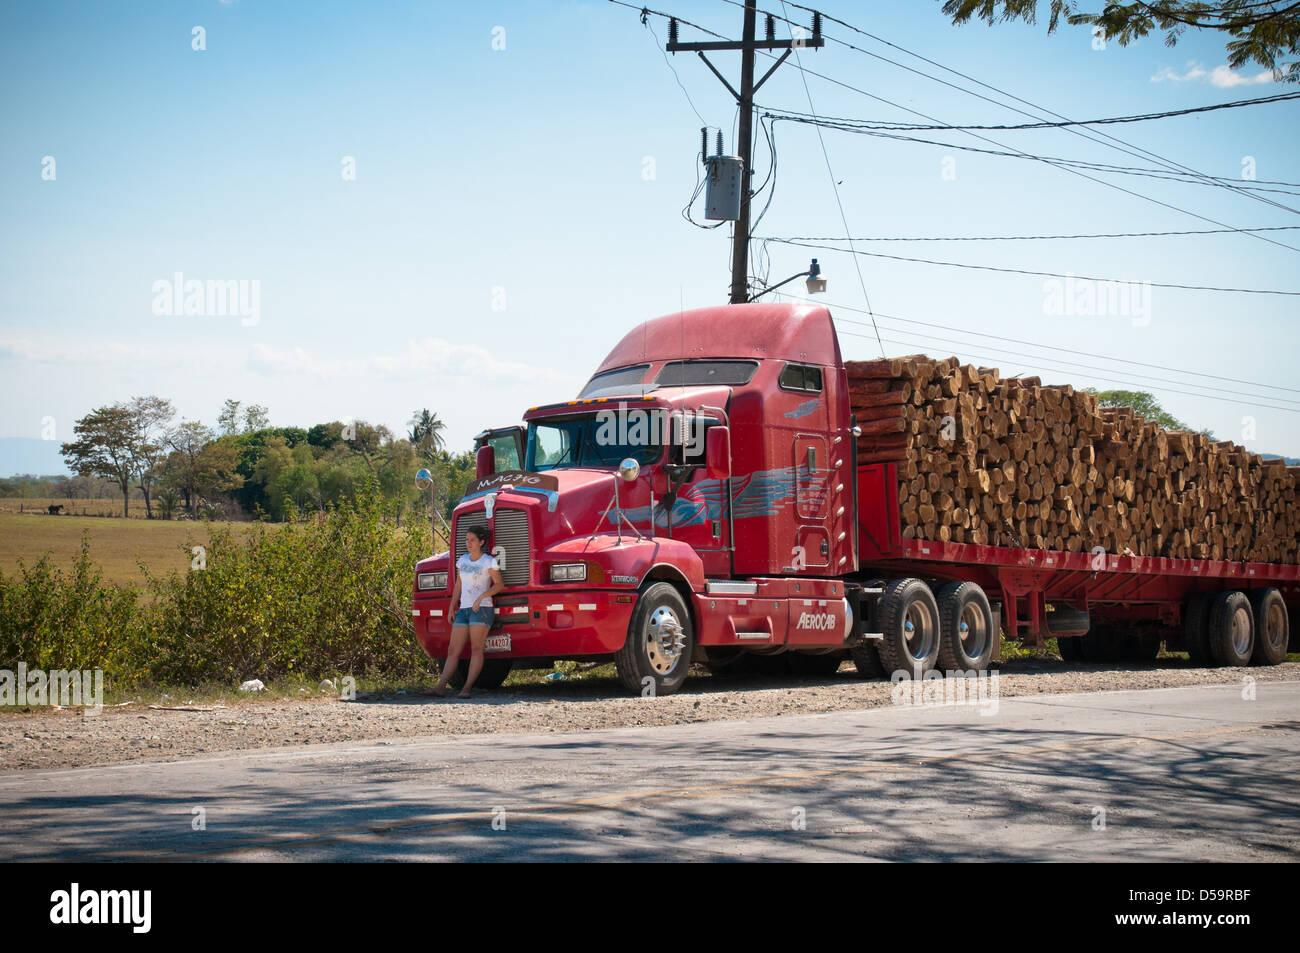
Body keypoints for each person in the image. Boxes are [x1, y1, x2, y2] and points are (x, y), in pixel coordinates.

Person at [429, 524, 504, 698]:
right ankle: (440, 687)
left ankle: (467, 688)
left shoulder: (488, 561)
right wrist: (451, 607)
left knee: (476, 649)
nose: (468, 543)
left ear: (481, 542)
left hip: (482, 609)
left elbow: (499, 585)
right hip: (464, 610)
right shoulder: (462, 560)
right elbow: (458, 585)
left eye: (472, 540)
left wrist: (481, 597)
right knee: (453, 650)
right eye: (466, 540)